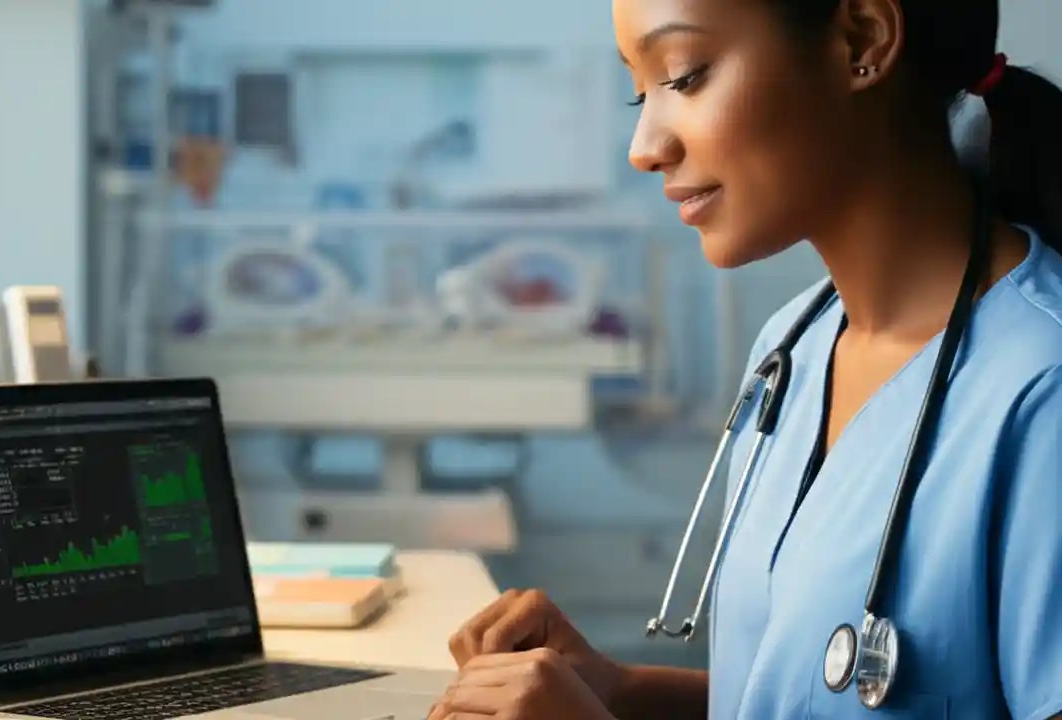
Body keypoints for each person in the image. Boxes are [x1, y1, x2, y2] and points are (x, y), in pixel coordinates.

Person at [428, 0, 1062, 718]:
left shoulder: (1042, 391)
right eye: (642, 91)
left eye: (685, 76)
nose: (643, 146)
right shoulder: (790, 347)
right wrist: (620, 692)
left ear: (863, 38)